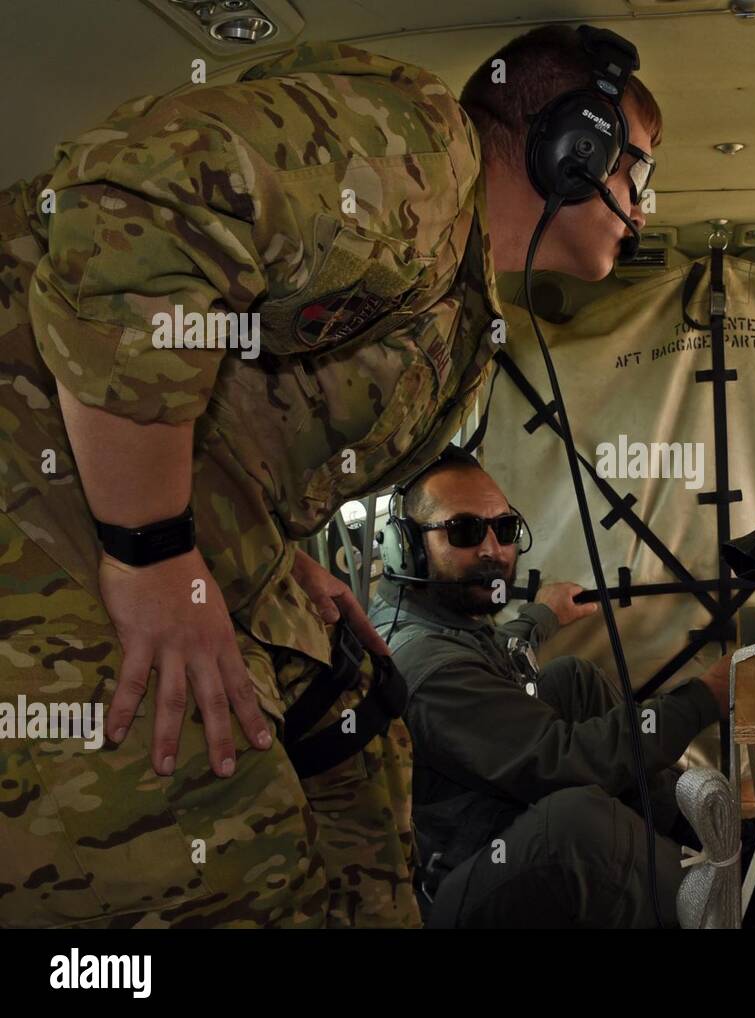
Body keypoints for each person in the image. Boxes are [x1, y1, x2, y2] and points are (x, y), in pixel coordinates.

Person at [0, 25, 658, 928]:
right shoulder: (416, 154)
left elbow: (245, 426)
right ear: (572, 150)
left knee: (363, 754)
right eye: (637, 172)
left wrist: (281, 555)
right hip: (47, 494)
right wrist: (150, 551)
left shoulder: (456, 294)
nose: (645, 210)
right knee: (212, 860)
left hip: (165, 513)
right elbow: (128, 207)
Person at [369, 447, 731, 928]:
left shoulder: (435, 623)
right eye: (464, 531)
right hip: (452, 885)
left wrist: (540, 617)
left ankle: (690, 840)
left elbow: (493, 656)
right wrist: (707, 695)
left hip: (476, 821)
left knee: (570, 680)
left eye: (504, 528)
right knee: (575, 821)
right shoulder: (430, 669)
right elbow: (565, 762)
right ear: (406, 547)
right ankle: (716, 913)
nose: (493, 550)